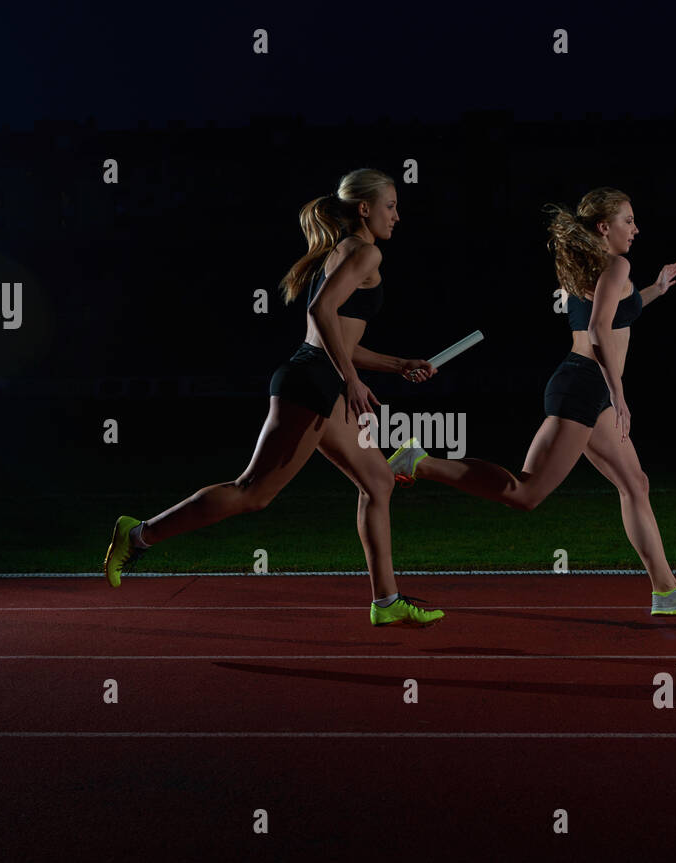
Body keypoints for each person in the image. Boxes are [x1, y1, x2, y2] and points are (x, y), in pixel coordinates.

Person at [104, 168, 444, 626]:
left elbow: (339, 338)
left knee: (378, 481)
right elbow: (320, 313)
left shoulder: (346, 251)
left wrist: (398, 364)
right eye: (391, 206)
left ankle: (386, 602)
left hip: (319, 380)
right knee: (253, 493)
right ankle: (138, 535)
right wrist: (351, 380)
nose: (397, 216)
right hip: (310, 382)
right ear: (364, 208)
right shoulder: (365, 252)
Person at [388, 187, 676, 616]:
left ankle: (665, 590)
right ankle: (420, 462)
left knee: (635, 483)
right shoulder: (615, 265)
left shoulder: (589, 268)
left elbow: (619, 310)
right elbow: (598, 331)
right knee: (525, 493)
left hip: (585, 386)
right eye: (628, 220)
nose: (636, 229)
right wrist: (618, 394)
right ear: (604, 227)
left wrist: (655, 289)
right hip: (584, 388)